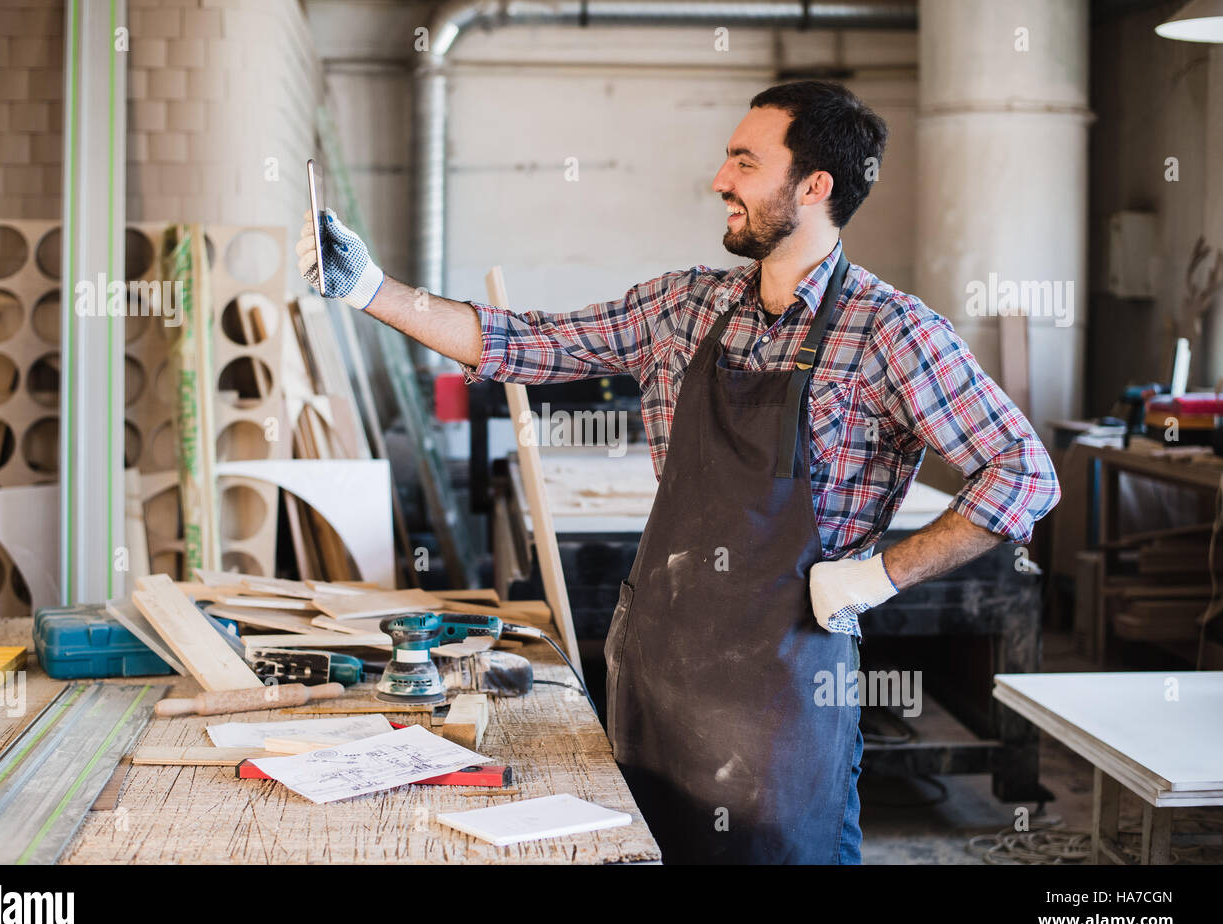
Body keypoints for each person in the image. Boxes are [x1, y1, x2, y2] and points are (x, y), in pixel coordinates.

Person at [296, 80, 1060, 865]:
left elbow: (1025, 474)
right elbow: (521, 343)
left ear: (814, 185)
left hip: (783, 705)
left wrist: (878, 575)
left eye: (744, 161)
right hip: (658, 686)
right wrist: (369, 288)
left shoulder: (888, 333)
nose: (720, 180)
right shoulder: (686, 307)